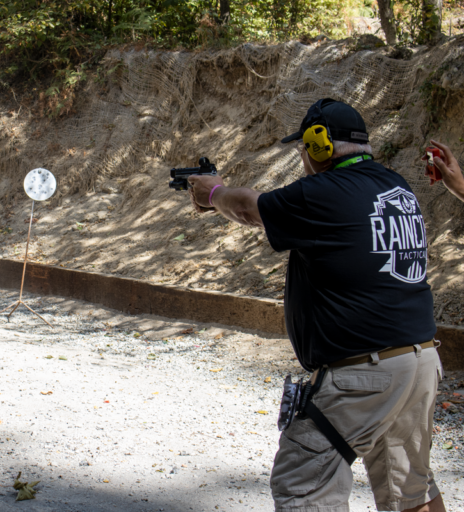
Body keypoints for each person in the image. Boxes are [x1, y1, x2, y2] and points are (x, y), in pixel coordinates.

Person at [187, 98, 446, 512]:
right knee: (410, 492)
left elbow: (249, 207)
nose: (304, 159)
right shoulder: (397, 185)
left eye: (304, 148)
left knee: (303, 486)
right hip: (419, 364)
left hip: (365, 374)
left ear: (319, 143)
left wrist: (211, 192)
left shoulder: (323, 192)